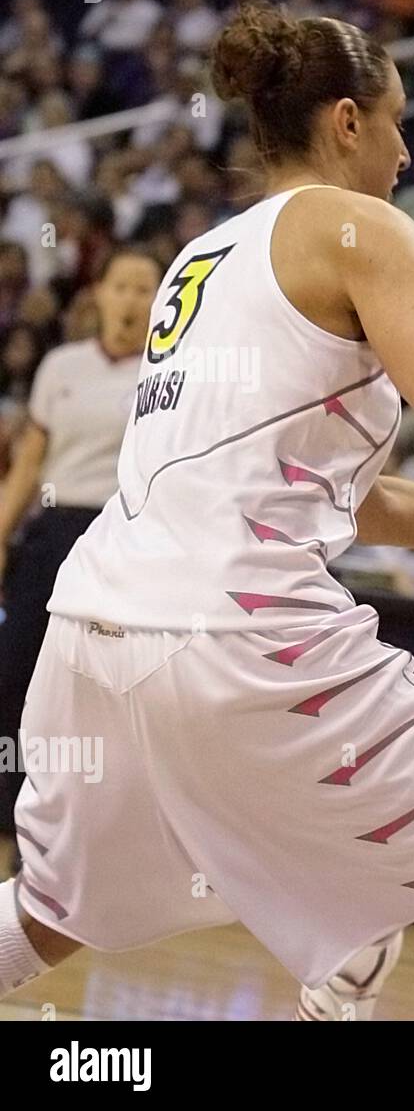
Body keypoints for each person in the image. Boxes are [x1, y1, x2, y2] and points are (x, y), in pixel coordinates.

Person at [0, 3, 414, 1024]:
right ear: (348, 121)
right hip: (240, 638)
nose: (409, 149)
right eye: (398, 122)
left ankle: (348, 944)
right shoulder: (358, 227)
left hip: (92, 634)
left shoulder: (199, 259)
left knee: (49, 911)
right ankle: (352, 944)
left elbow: (327, 495)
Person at [0, 247, 161, 871]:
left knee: (104, 698)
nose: (130, 299)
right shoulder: (61, 365)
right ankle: (21, 835)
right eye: (120, 286)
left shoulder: (167, 372)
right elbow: (28, 467)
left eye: (145, 288)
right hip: (50, 538)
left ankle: (94, 844)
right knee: (17, 685)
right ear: (99, 295)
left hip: (123, 541)